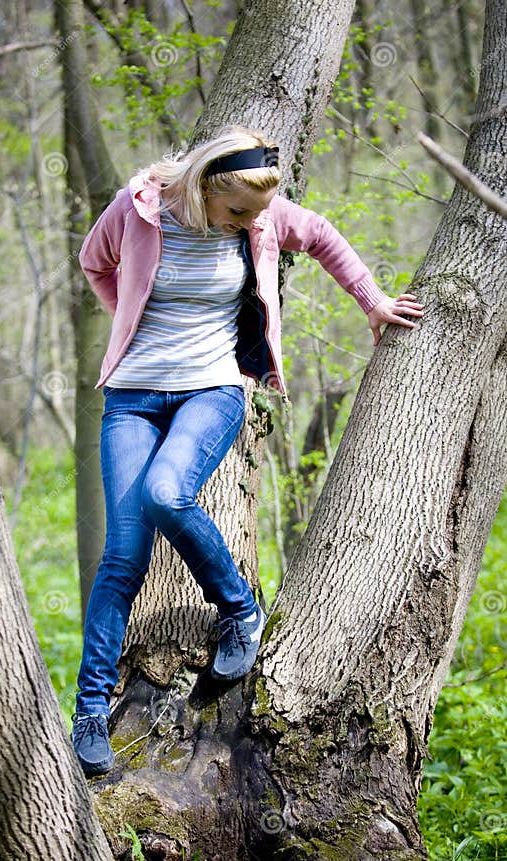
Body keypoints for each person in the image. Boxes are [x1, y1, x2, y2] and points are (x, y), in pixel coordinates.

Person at [70, 125, 425, 776]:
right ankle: (90, 715)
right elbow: (96, 261)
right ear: (206, 186)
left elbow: (319, 236)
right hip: (132, 395)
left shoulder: (258, 214)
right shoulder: (139, 208)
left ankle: (239, 609)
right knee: (122, 556)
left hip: (214, 387)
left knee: (166, 493)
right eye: (239, 210)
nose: (253, 222)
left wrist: (373, 301)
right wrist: (130, 318)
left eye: (259, 212)